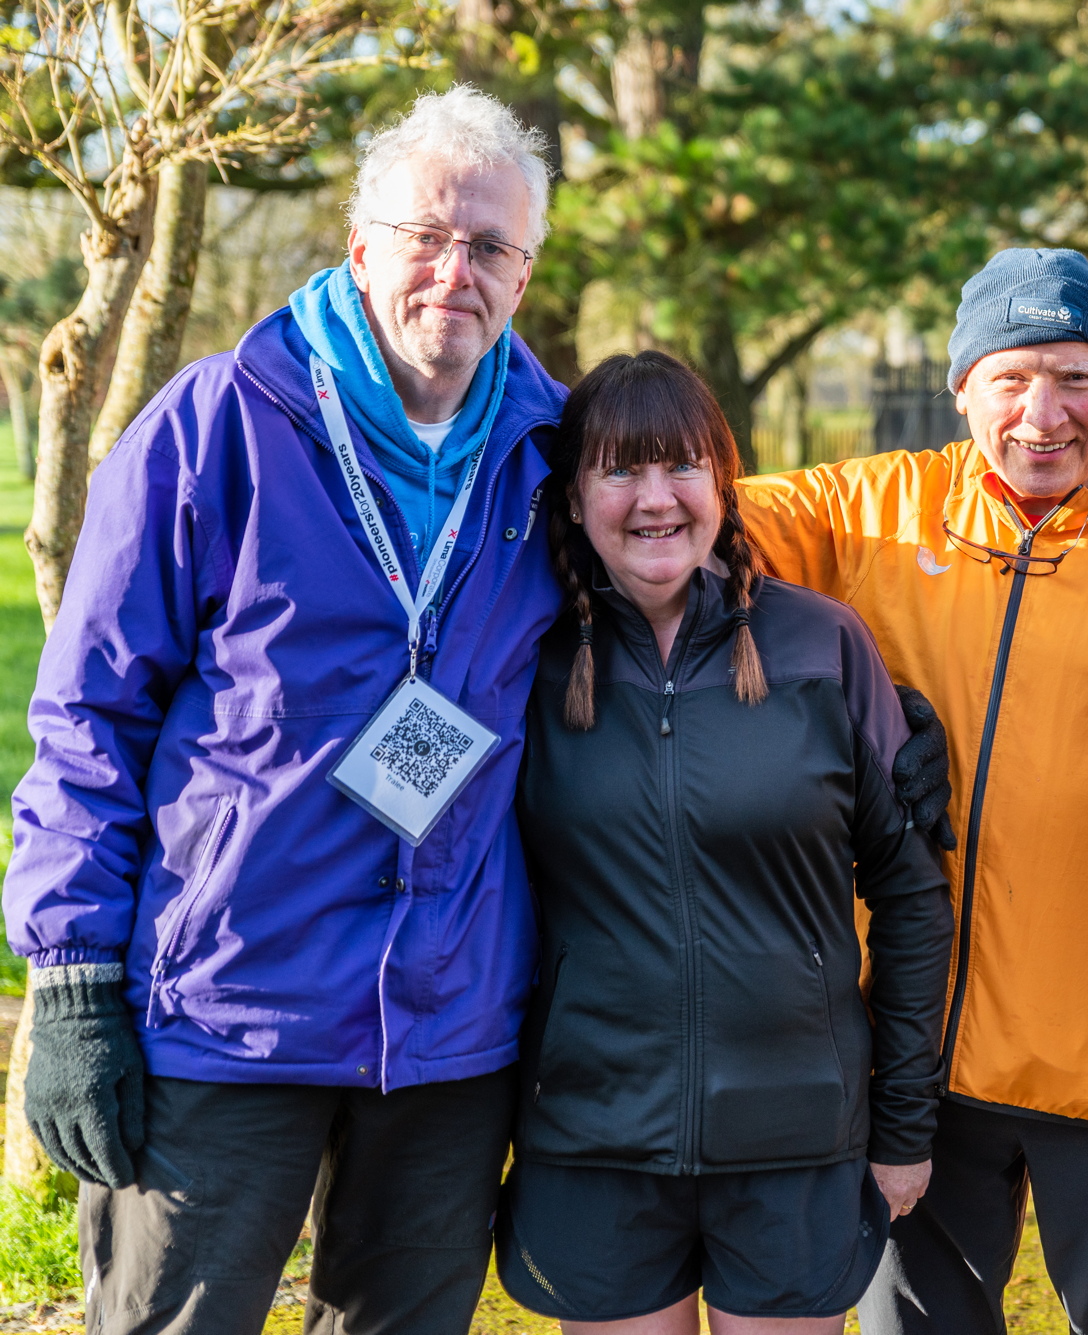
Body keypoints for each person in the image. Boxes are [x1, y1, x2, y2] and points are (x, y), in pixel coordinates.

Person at [0, 88, 953, 1333]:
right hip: (234, 1010)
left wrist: (881, 712)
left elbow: (689, 523)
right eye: (425, 235)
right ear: (358, 245)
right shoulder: (217, 426)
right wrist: (71, 970)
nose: (456, 270)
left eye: (491, 247)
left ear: (526, 268)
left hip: (448, 1037)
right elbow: (89, 713)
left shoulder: (549, 446)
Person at [737, 247, 1088, 1335]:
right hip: (917, 1057)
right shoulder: (865, 515)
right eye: (1010, 377)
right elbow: (674, 512)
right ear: (962, 389)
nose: (1043, 413)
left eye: (1077, 377)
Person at [495, 351, 952, 1334]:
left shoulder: (822, 646)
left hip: (794, 1143)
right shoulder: (520, 665)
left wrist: (902, 1121)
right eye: (619, 470)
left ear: (723, 484)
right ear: (572, 498)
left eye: (682, 467)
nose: (655, 499)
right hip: (593, 1141)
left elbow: (913, 897)